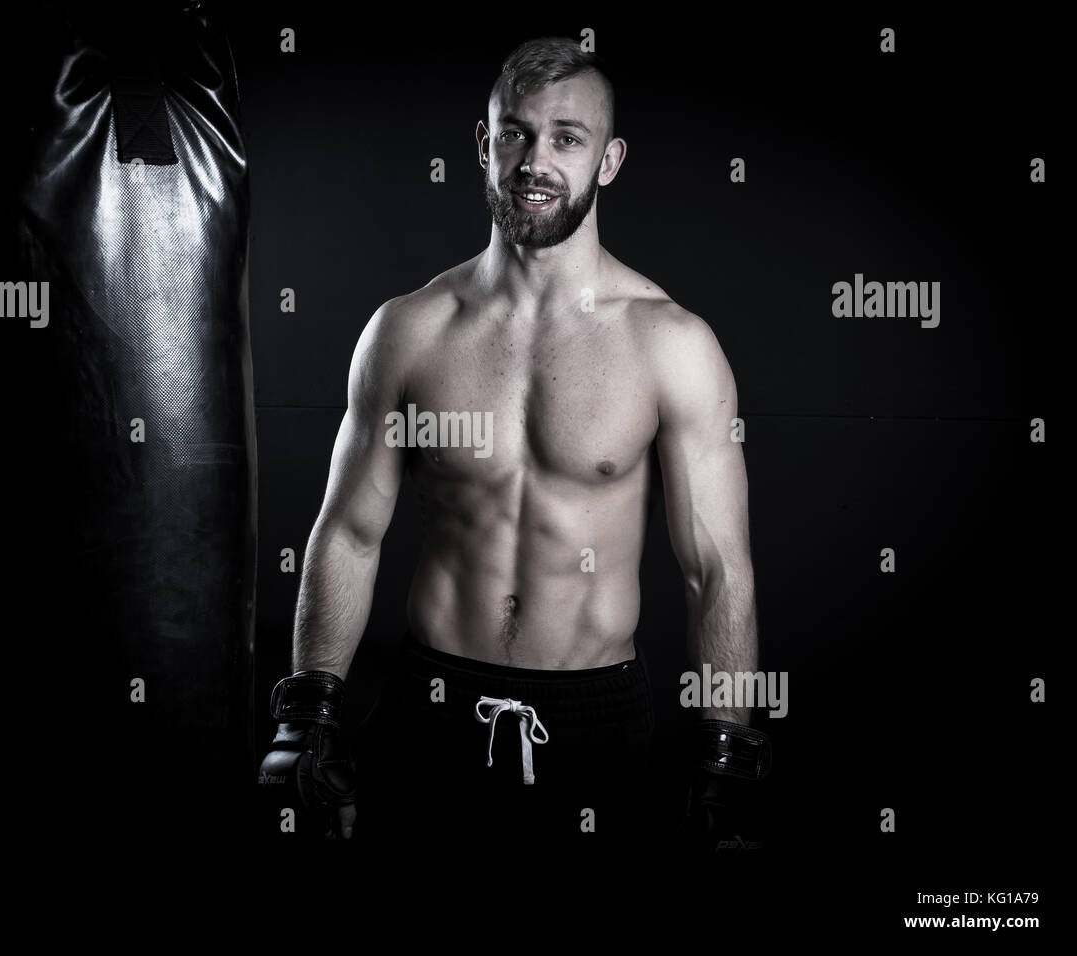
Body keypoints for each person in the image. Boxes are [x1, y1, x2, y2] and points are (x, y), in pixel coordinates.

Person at [260, 36, 770, 846]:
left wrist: (726, 753)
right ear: (484, 143)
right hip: (430, 703)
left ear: (609, 160)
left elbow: (717, 570)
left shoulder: (671, 344)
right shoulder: (409, 331)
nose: (536, 160)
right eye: (516, 133)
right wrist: (309, 710)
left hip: (597, 718)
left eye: (568, 138)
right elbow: (350, 533)